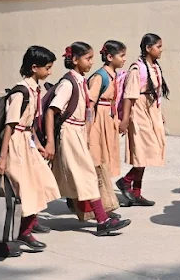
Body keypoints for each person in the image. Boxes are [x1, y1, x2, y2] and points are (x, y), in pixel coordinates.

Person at [50, 42, 128, 237]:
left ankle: (102, 218)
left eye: (92, 58)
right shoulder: (68, 83)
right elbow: (53, 110)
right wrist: (51, 141)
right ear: (75, 60)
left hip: (78, 131)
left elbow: (86, 111)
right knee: (82, 176)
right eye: (88, 58)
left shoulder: (80, 80)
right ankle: (102, 220)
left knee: (84, 176)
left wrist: (86, 131)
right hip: (69, 133)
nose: (91, 62)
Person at [0, 46, 62, 259]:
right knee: (17, 194)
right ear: (34, 67)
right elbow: (10, 127)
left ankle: (24, 231)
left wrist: (39, 145)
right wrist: (3, 158)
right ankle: (0, 243)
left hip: (27, 144)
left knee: (43, 184)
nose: (50, 72)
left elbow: (29, 125)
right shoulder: (20, 92)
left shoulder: (35, 90)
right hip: (14, 146)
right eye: (47, 68)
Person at [117, 33, 167, 207]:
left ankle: (136, 192)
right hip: (138, 112)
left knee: (147, 153)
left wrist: (159, 114)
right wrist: (124, 120)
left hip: (151, 110)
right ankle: (126, 181)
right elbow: (129, 96)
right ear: (148, 48)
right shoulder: (137, 69)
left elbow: (156, 92)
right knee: (144, 152)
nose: (161, 50)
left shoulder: (154, 67)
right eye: (158, 46)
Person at [87, 39, 127, 213]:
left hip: (108, 120)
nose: (124, 59)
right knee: (97, 160)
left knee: (106, 159)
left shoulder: (113, 75)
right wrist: (88, 130)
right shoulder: (99, 77)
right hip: (98, 122)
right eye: (122, 55)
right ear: (110, 57)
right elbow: (90, 104)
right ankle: (97, 203)